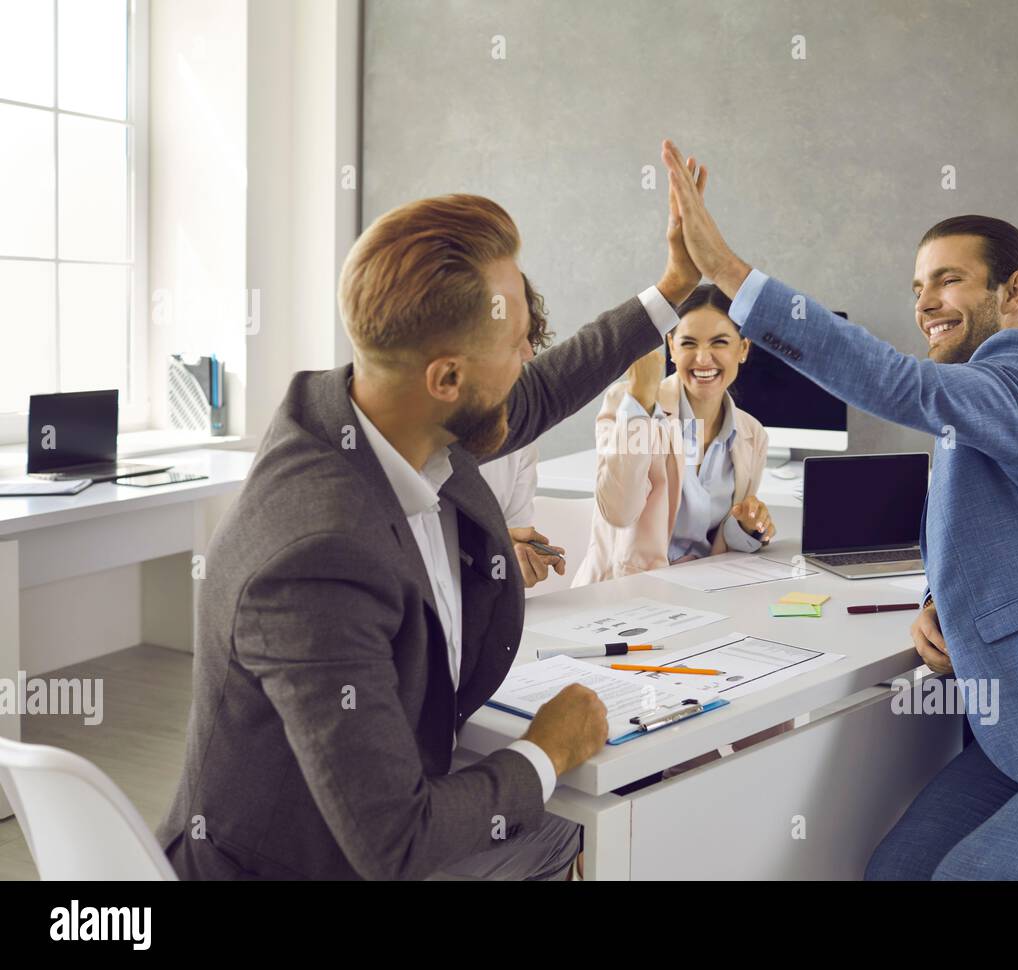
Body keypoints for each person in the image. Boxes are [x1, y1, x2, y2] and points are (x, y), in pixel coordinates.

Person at [660, 138, 1018, 880]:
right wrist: (936, 602)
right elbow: (988, 529)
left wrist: (729, 274)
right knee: (892, 872)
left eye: (948, 282)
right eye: (919, 285)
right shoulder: (984, 403)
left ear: (1014, 292)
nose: (923, 304)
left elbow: (900, 384)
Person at [157, 170, 710, 879]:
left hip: (376, 813)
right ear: (448, 380)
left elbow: (539, 391)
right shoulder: (314, 557)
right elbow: (399, 843)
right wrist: (548, 750)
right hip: (300, 865)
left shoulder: (385, 412)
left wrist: (671, 289)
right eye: (517, 346)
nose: (529, 359)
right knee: (594, 833)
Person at [571, 282, 775, 586]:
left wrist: (746, 528)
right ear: (672, 347)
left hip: (706, 592)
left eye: (719, 342)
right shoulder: (627, 404)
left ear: (743, 349)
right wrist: (640, 401)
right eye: (689, 343)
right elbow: (619, 511)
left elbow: (720, 544)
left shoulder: (751, 434)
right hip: (626, 593)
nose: (703, 359)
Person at [479, 274, 565, 589]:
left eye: (529, 336)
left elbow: (510, 544)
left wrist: (509, 555)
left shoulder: (519, 441)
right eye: (513, 337)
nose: (529, 353)